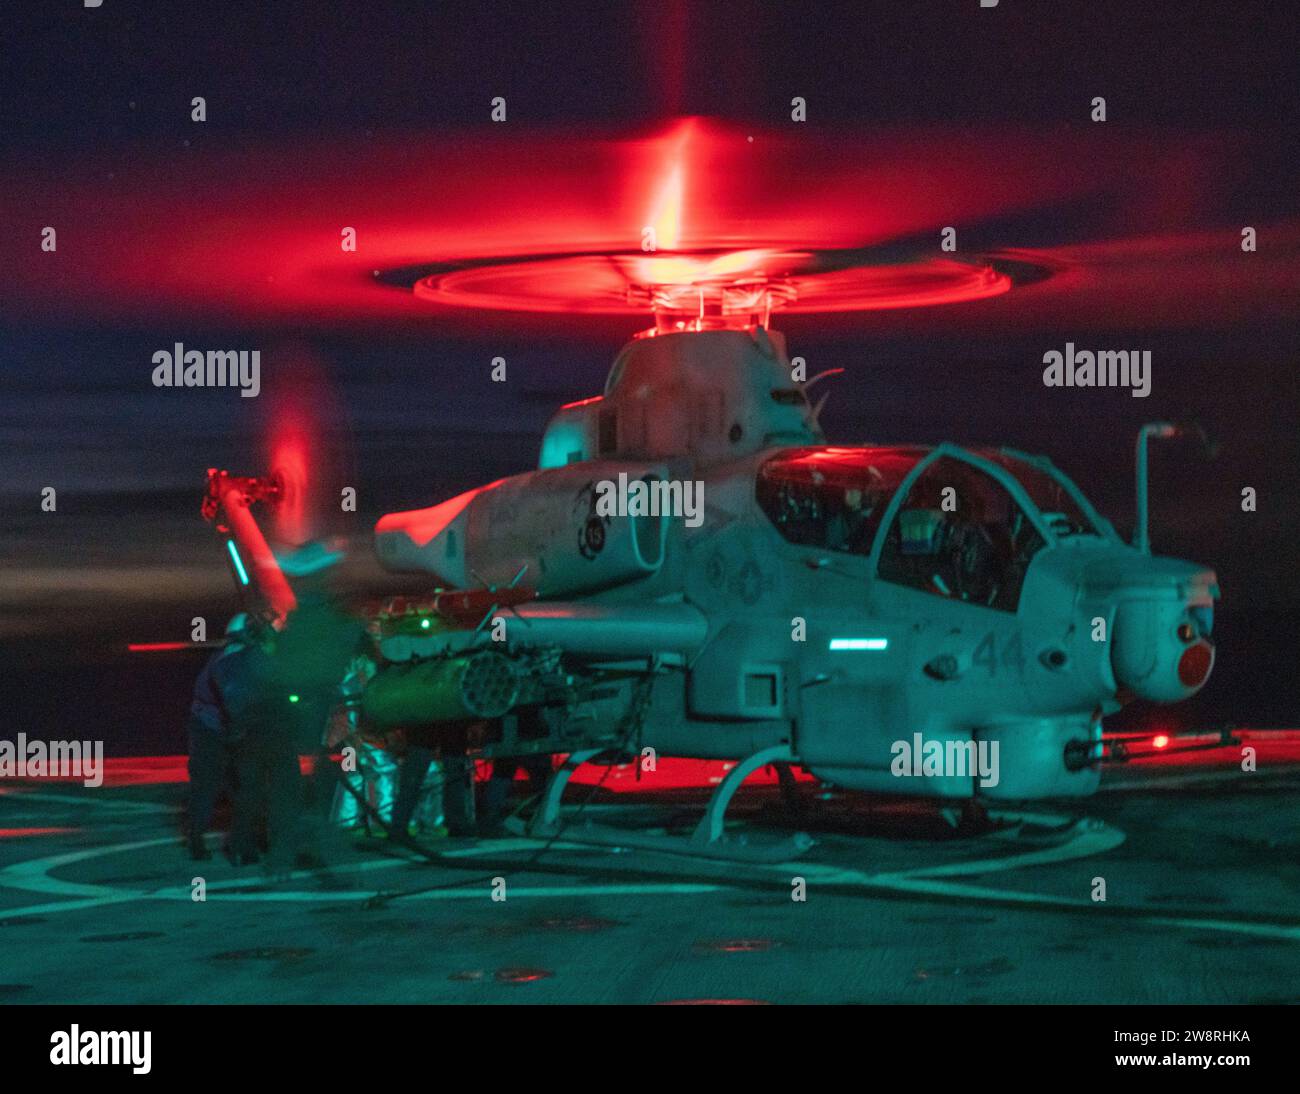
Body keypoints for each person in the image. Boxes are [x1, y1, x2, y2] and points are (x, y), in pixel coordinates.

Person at [186, 612, 275, 861]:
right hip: (211, 727)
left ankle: (243, 840)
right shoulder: (231, 663)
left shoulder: (244, 657)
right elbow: (236, 702)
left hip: (234, 725)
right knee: (208, 784)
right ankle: (197, 838)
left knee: (247, 785)